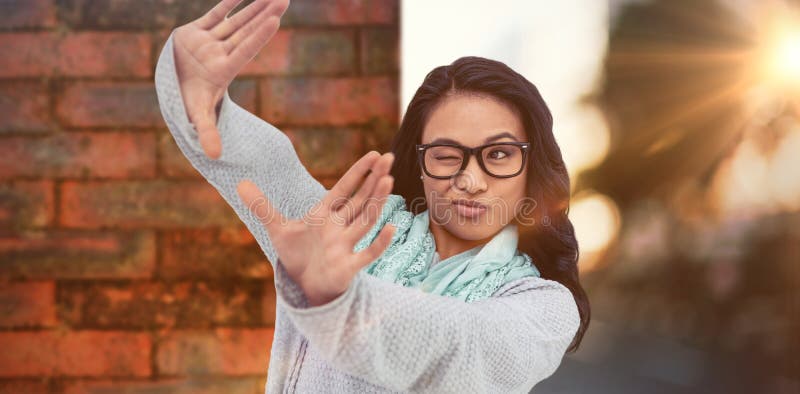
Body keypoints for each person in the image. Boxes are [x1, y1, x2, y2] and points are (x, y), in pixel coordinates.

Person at [154, 0, 590, 392]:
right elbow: (269, 167)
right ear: (419, 165)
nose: (471, 180)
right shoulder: (344, 231)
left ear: (531, 165)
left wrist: (341, 300)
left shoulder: (543, 305)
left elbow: (465, 346)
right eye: (445, 154)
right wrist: (201, 102)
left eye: (498, 154)